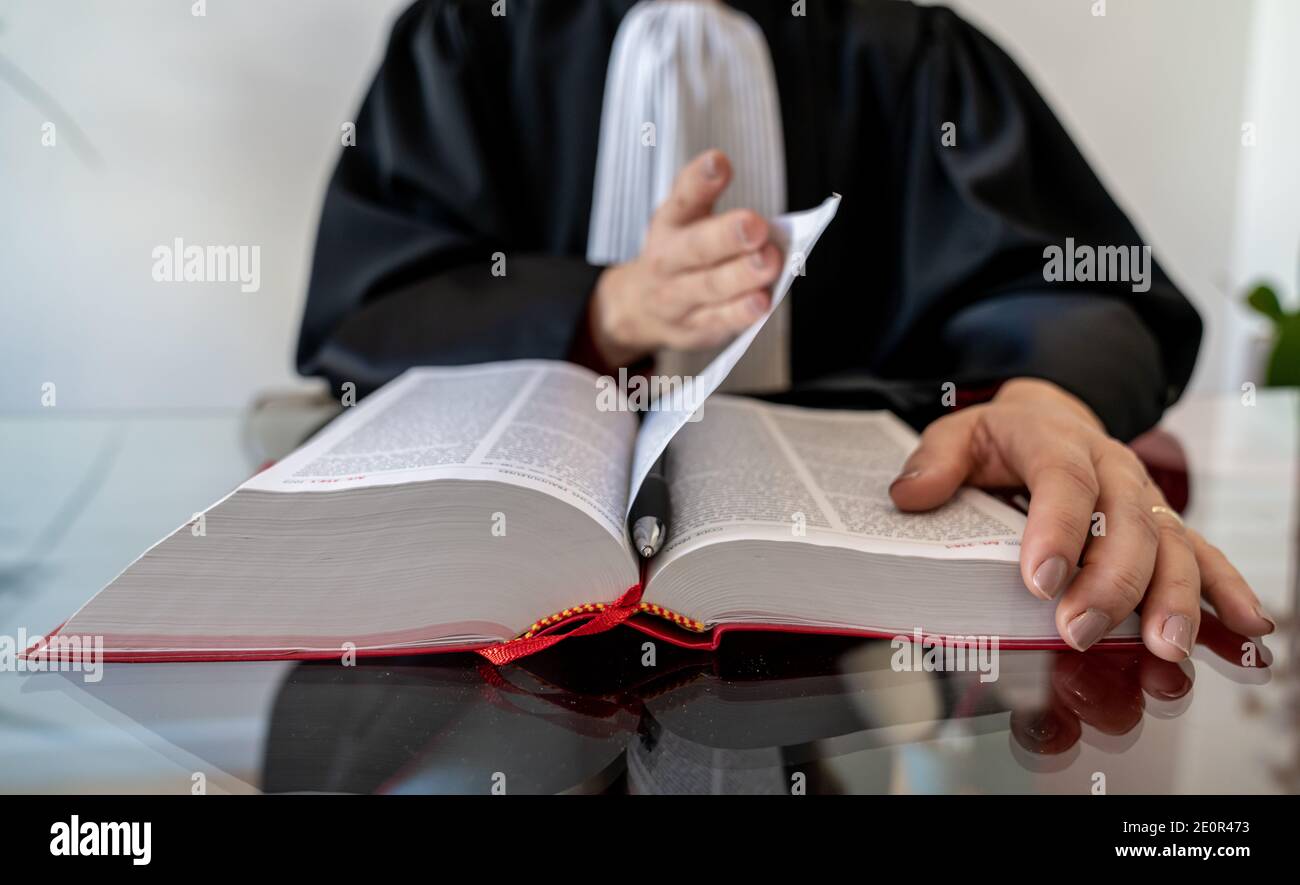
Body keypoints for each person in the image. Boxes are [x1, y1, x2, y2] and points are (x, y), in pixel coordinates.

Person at [296, 0, 1274, 660]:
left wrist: (1041, 394)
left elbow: (1074, 285)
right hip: (497, 630)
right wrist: (608, 308)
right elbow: (370, 301)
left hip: (842, 640)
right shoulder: (468, 36)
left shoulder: (904, 49)